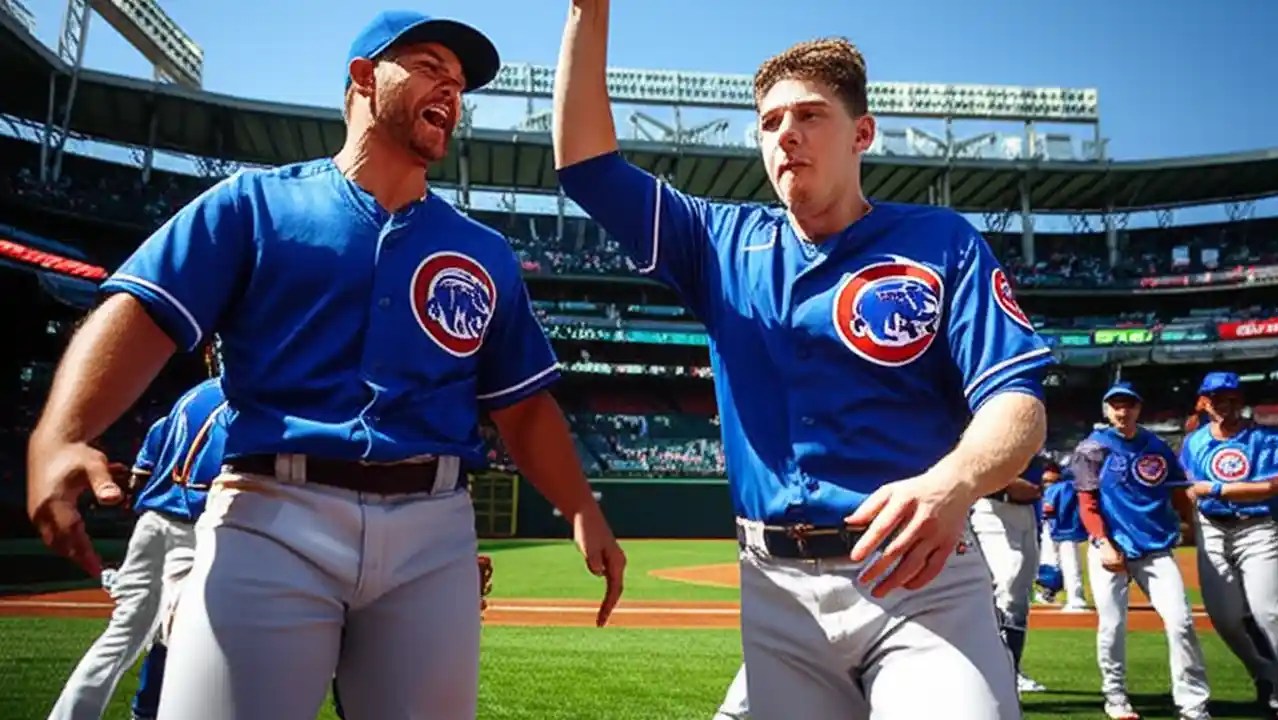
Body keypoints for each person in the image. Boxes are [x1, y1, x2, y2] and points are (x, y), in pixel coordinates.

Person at [26, 10, 625, 720]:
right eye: (431, 66)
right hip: (271, 513)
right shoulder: (253, 204)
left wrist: (581, 505)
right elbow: (141, 311)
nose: (452, 90)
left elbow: (522, 406)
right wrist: (60, 433)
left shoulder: (484, 252)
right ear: (365, 78)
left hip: (433, 532)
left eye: (460, 83)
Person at [552, 5, 1053, 717]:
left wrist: (955, 483)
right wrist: (587, 9)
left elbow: (1018, 403)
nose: (785, 133)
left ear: (863, 133)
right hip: (775, 594)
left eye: (809, 115)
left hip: (920, 580)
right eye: (769, 122)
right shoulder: (719, 243)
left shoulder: (939, 240)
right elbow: (587, 169)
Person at [47, 373, 224, 720]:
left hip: (151, 524)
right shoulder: (249, 399)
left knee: (120, 640)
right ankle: (149, 712)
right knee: (191, 641)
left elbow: (138, 478)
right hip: (193, 529)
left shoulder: (188, 399)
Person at [1070, 381, 1211, 720]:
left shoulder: (1156, 446)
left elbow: (1177, 489)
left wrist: (1188, 521)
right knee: (1112, 625)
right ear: (1106, 410)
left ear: (1138, 408)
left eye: (1128, 405)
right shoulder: (1092, 449)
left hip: (1155, 548)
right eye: (1115, 405)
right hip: (1111, 548)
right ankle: (1115, 696)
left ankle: (1192, 704)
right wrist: (1103, 543)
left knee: (1181, 622)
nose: (1122, 411)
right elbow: (1087, 502)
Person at [1179, 370, 1278, 717]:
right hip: (1212, 527)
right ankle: (1265, 673)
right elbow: (1188, 485)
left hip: (1258, 526)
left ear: (1241, 399)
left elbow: (1272, 486)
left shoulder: (1266, 438)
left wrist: (1217, 488)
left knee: (1270, 612)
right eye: (1217, 396)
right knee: (1224, 617)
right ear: (1205, 402)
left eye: (1231, 395)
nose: (1225, 402)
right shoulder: (1194, 442)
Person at [970, 455, 1047, 694]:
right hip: (991, 507)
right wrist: (1008, 483)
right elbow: (976, 464)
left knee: (1020, 597)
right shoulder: (974, 419)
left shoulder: (1036, 422)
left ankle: (1012, 670)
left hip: (1026, 511)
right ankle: (993, 668)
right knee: (1008, 583)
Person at [1036, 458, 1089, 612]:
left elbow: (1048, 509)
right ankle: (1053, 593)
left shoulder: (1059, 488)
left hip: (1061, 530)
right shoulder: (1072, 487)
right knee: (1059, 564)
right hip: (1061, 529)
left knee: (1065, 564)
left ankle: (1075, 599)